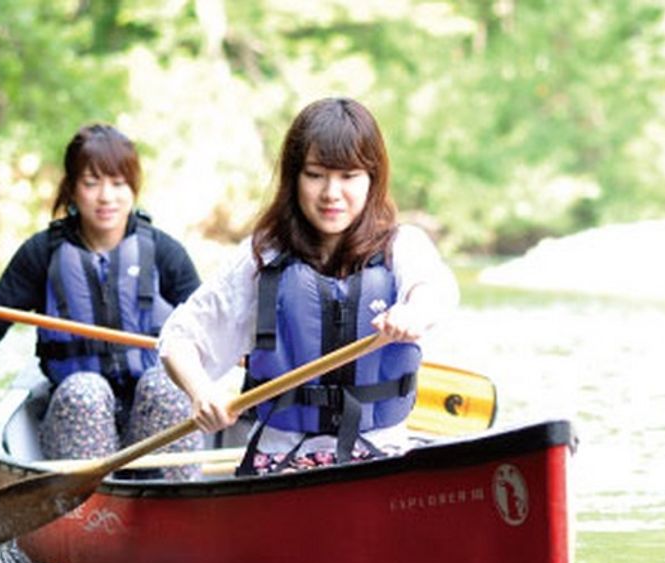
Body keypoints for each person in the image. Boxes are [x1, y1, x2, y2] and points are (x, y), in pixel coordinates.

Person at [0, 124, 203, 478]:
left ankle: (171, 494)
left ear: (133, 188)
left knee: (167, 386)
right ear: (72, 188)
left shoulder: (165, 253)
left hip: (154, 428)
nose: (106, 197)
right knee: (85, 391)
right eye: (91, 183)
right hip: (78, 424)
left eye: (118, 183)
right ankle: (92, 500)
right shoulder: (42, 254)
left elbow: (210, 332)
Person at [159, 97, 459, 475]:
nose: (331, 192)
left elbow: (433, 291)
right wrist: (201, 393)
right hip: (282, 458)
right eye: (316, 175)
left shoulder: (403, 246)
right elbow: (179, 338)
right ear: (294, 178)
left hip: (382, 453)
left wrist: (413, 311)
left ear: (372, 179)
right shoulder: (262, 257)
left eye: (348, 176)